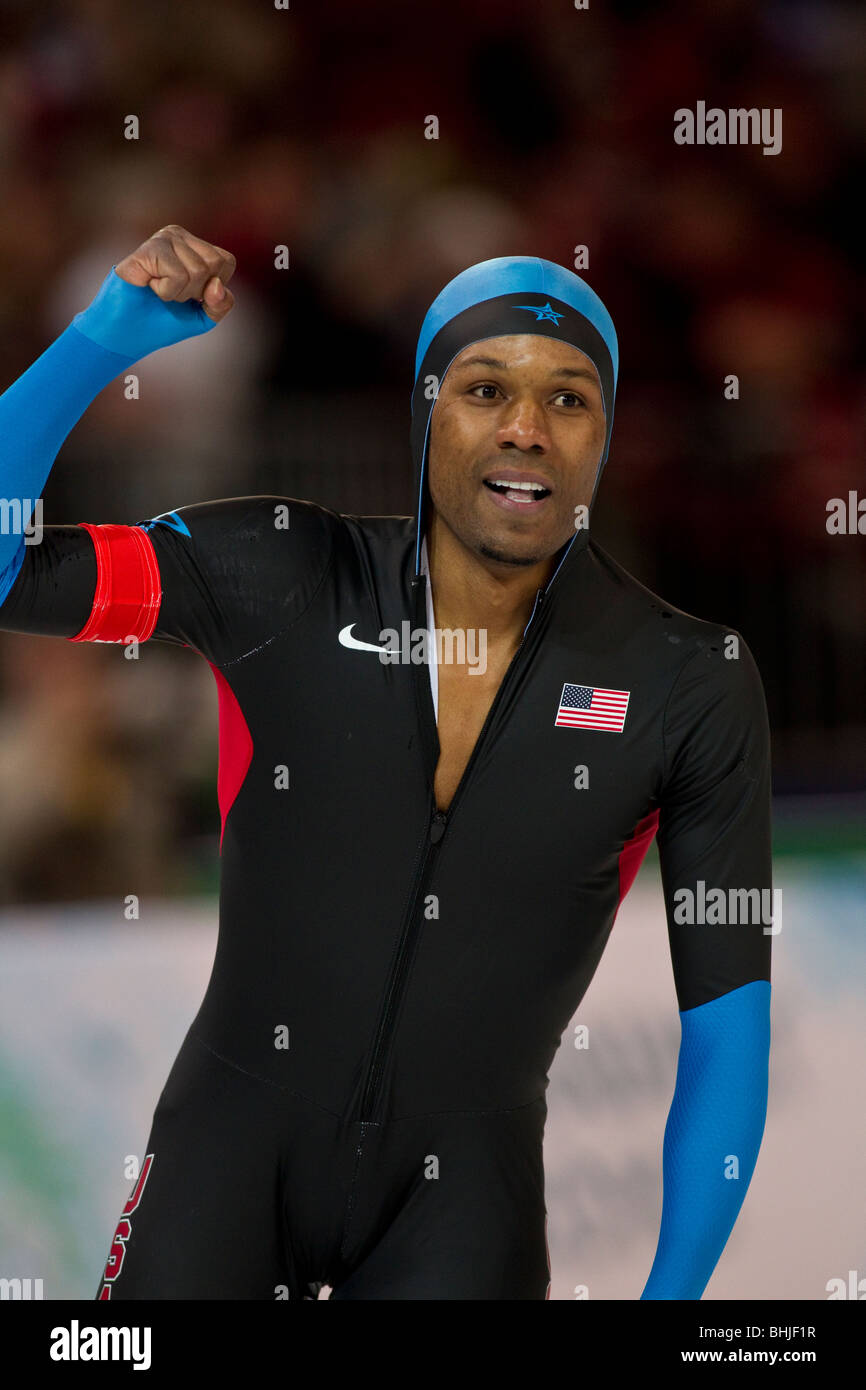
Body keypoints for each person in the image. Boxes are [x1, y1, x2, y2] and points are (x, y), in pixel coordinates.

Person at [0, 227, 772, 1300]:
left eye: (568, 398)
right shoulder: (280, 571)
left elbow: (728, 1031)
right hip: (224, 1165)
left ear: (603, 436)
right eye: (484, 386)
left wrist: (672, 1300)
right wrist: (101, 341)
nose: (524, 428)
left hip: (458, 1215)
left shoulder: (688, 681)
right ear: (423, 410)